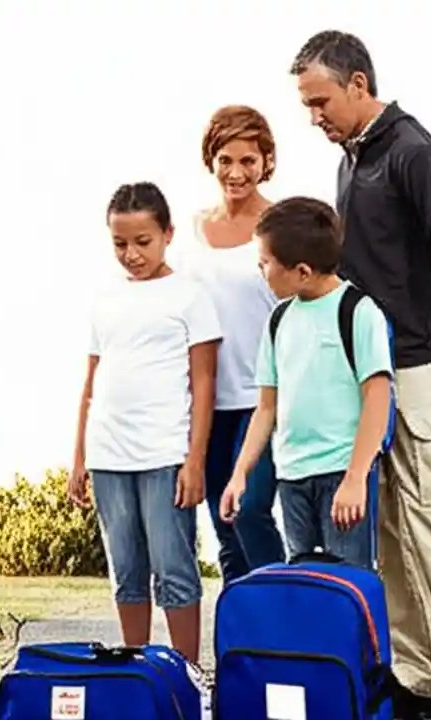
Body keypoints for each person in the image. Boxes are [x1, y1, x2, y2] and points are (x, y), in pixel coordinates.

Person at [286, 29, 431, 720]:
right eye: (305, 105)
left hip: (417, 366)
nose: (314, 115)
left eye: (320, 100)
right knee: (392, 530)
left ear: (359, 84)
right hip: (369, 375)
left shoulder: (412, 153)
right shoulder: (352, 164)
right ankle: (422, 680)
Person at [67, 181, 220, 665]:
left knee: (174, 569)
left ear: (168, 234)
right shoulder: (104, 300)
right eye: (119, 243)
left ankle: (187, 676)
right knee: (126, 570)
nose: (131, 254)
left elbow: (205, 384)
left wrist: (195, 461)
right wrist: (78, 460)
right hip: (109, 455)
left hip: (164, 454)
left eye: (142, 242)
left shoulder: (190, 296)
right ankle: (135, 675)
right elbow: (90, 385)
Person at [218, 196, 393, 571]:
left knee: (347, 591)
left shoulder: (359, 313)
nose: (260, 270)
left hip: (341, 476)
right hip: (292, 477)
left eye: (265, 263)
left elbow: (378, 400)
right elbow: (267, 408)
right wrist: (240, 473)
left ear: (301, 271)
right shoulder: (278, 320)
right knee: (306, 591)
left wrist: (355, 477)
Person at [171, 105, 286, 585]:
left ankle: (283, 612)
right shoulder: (192, 230)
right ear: (210, 160)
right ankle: (244, 639)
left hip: (262, 398)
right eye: (225, 159)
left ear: (266, 161)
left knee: (252, 509)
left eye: (248, 160)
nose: (236, 172)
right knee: (222, 522)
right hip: (204, 401)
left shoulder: (279, 225)